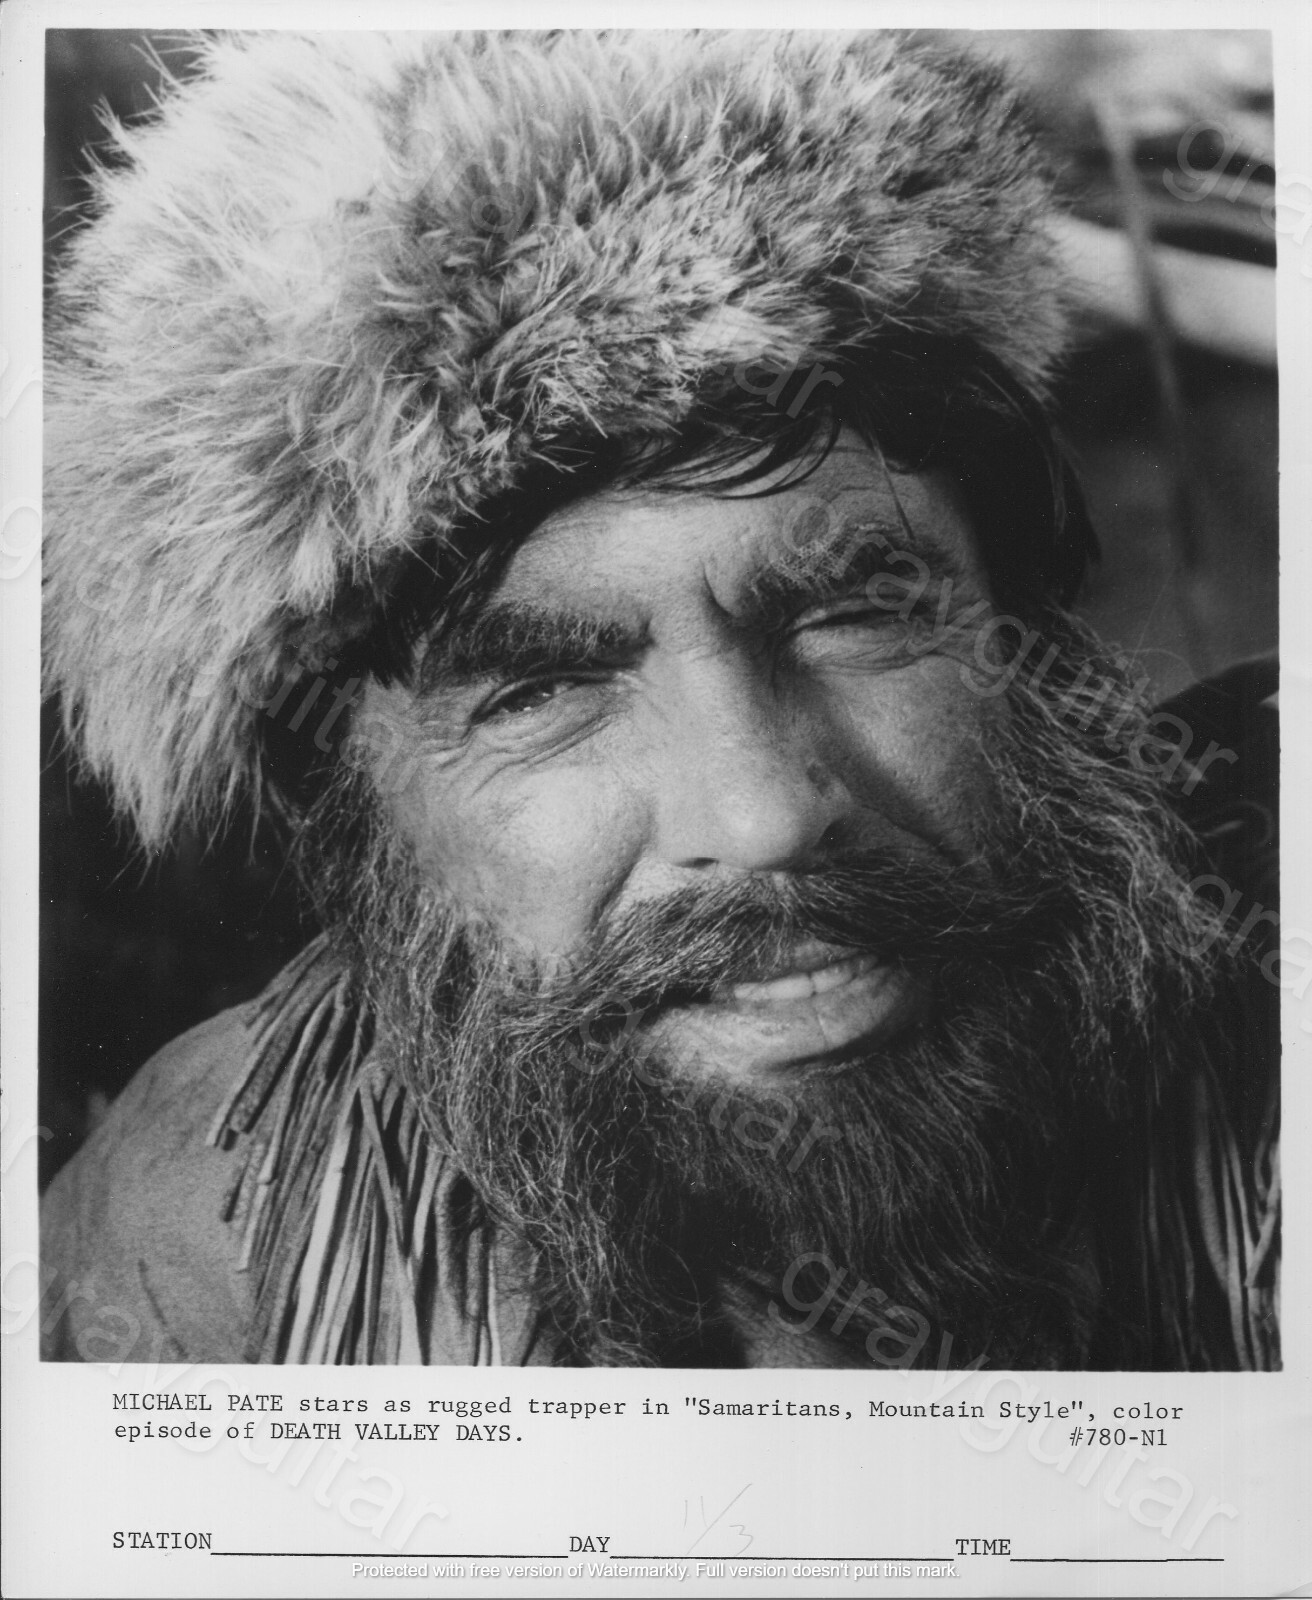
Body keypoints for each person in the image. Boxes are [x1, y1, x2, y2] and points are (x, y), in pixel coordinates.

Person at [40, 28, 1278, 1369]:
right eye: (542, 691)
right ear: (337, 805)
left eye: (858, 616)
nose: (759, 817)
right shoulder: (212, 1217)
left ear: (1021, 621)